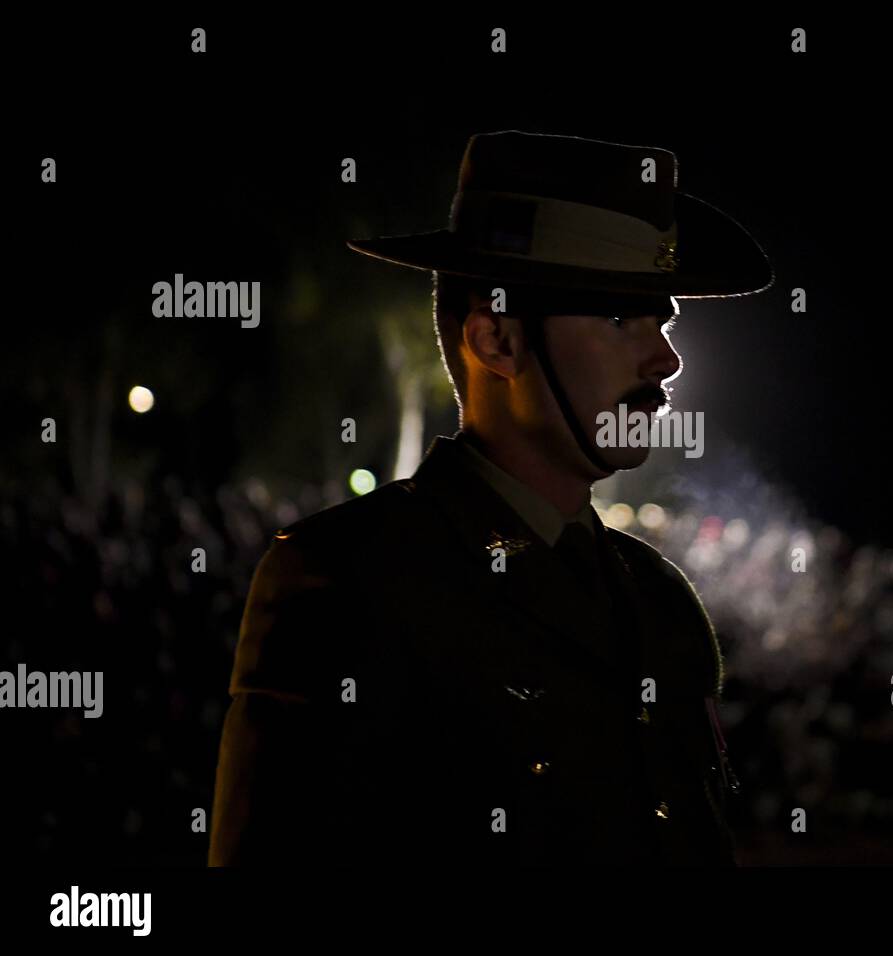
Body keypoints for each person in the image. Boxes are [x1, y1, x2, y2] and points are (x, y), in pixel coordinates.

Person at [208, 129, 773, 865]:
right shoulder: (351, 581)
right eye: (617, 317)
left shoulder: (659, 602)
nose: (665, 358)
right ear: (498, 341)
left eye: (661, 321)